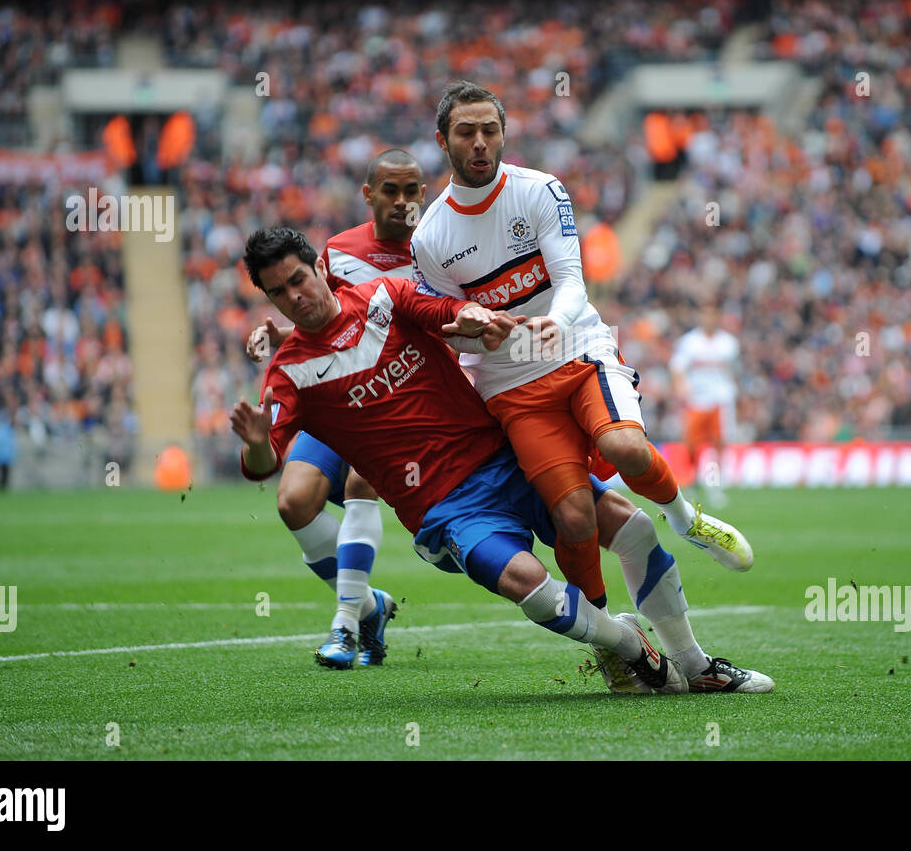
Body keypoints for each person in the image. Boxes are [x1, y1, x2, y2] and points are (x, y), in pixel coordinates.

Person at [249, 151, 733, 683]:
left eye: (300, 278)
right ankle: (629, 647)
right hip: (443, 503)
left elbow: (438, 309)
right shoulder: (291, 367)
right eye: (279, 291)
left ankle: (694, 662)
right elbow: (261, 461)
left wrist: (473, 316)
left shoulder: (393, 286)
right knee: (526, 583)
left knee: (626, 524)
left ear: (320, 267)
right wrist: (255, 445)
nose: (296, 295)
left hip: (499, 451)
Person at [410, 81, 753, 618]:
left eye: (489, 130)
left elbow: (572, 276)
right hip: (510, 381)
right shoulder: (429, 237)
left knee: (626, 449)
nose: (479, 142)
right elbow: (447, 325)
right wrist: (476, 329)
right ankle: (610, 636)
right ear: (442, 140)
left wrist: (554, 320)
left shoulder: (541, 190)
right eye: (466, 132)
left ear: (504, 135)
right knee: (573, 518)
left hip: (576, 345)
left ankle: (688, 520)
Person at [244, 149, 427, 670]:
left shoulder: (442, 244)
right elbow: (333, 320)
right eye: (388, 191)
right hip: (340, 391)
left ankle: (345, 625)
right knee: (293, 502)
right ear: (369, 195)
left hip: (405, 394)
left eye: (410, 190)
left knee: (360, 481)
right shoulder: (339, 251)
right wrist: (281, 333)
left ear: (424, 192)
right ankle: (371, 607)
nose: (401, 202)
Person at [669, 306, 740, 507]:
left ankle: (714, 485)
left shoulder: (729, 343)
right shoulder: (690, 342)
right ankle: (693, 479)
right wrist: (681, 385)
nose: (708, 318)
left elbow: (734, 371)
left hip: (721, 399)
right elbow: (677, 367)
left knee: (718, 444)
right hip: (697, 400)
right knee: (692, 445)